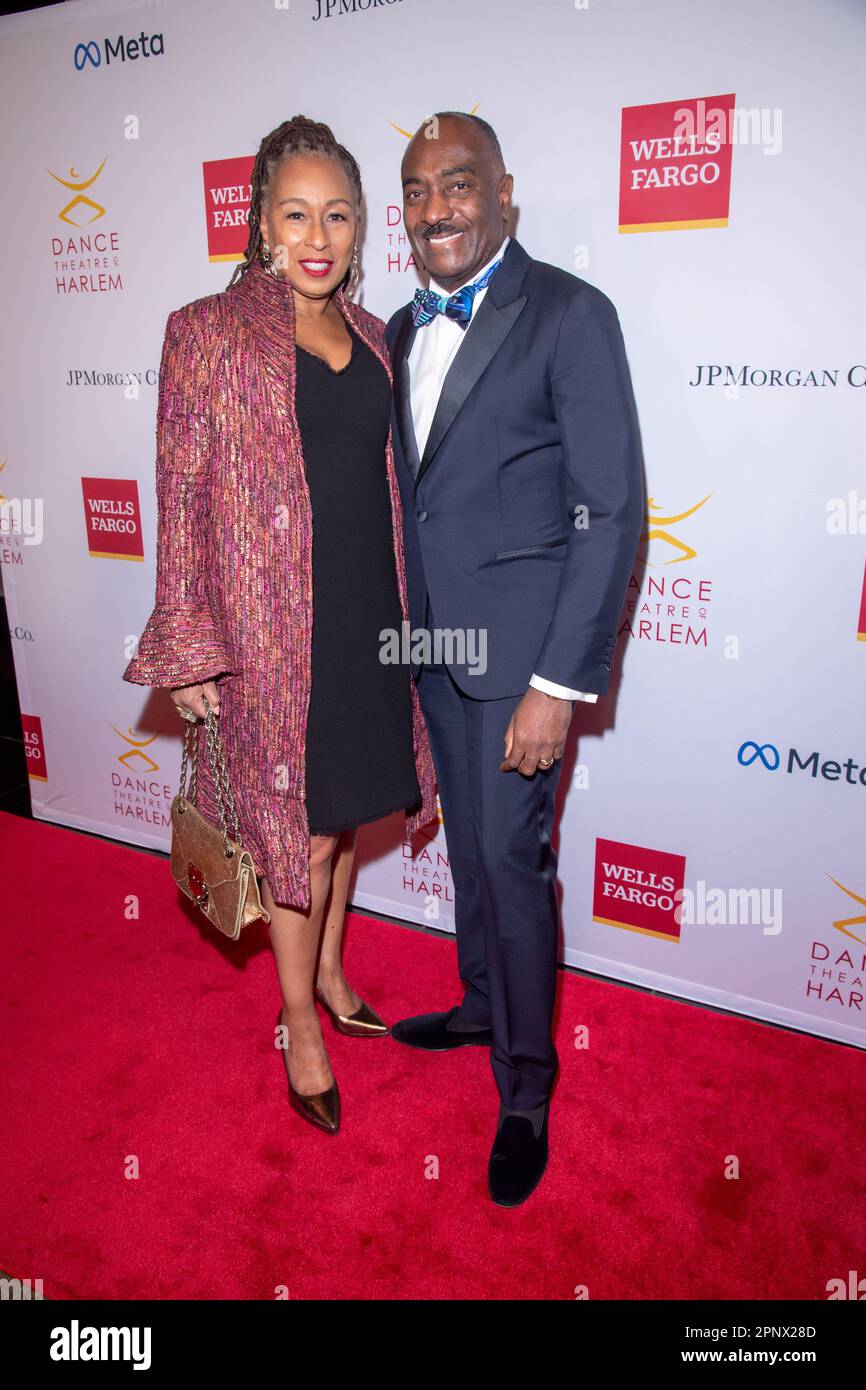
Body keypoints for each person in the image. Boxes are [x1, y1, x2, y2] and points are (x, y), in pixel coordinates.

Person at [123, 116, 437, 1137]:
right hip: (266, 630)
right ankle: (298, 1019)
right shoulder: (204, 333)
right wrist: (187, 641)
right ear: (260, 222)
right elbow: (180, 493)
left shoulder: (378, 336)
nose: (317, 233)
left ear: (358, 228)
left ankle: (337, 971)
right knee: (297, 838)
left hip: (367, 612)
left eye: (337, 214)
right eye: (296, 212)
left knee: (349, 815)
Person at [386, 112, 645, 1205]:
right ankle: (484, 1002)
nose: (435, 208)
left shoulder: (570, 315)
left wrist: (554, 683)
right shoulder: (395, 326)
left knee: (510, 863)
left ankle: (526, 1085)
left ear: (503, 195)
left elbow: (611, 509)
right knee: (471, 858)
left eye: (456, 184)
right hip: (435, 647)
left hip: (523, 665)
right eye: (415, 190)